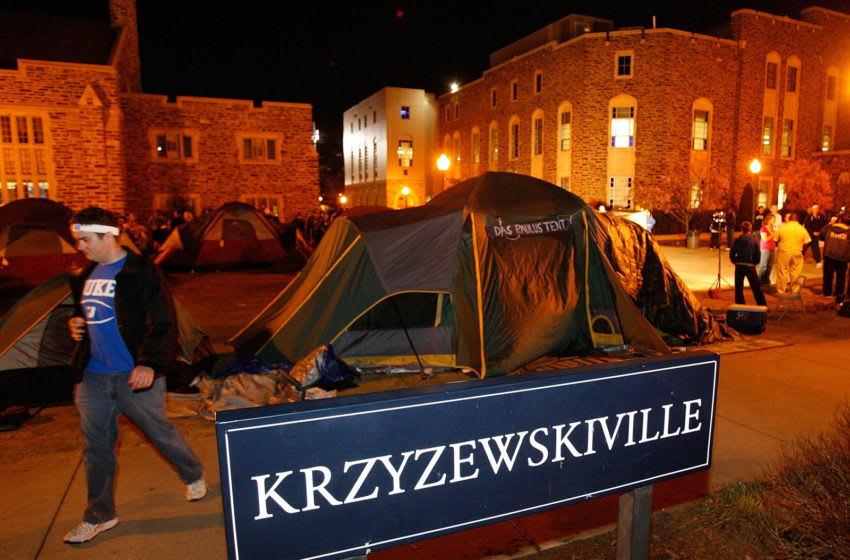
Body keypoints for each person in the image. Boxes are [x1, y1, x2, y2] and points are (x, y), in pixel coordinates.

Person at [63, 207, 206, 544]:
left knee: (159, 432)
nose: (80, 247)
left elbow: (163, 323)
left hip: (134, 375)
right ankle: (100, 515)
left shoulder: (142, 272)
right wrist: (76, 323)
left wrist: (151, 364)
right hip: (94, 377)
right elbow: (84, 313)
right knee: (96, 449)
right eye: (78, 240)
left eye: (85, 240)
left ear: (108, 235)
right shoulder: (84, 276)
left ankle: (193, 473)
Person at [730, 221, 767, 306]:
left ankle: (740, 304)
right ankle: (762, 304)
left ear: (742, 230)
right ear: (750, 230)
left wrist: (735, 261)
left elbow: (732, 252)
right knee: (756, 287)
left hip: (739, 265)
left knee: (739, 287)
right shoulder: (754, 240)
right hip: (750, 265)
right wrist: (755, 262)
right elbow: (758, 254)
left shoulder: (738, 240)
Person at [774, 211, 811, 293]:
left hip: (784, 251)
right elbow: (807, 241)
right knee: (796, 272)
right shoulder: (802, 229)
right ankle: (795, 290)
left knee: (782, 271)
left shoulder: (783, 228)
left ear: (789, 219)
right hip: (797, 251)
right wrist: (802, 250)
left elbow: (775, 239)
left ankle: (781, 290)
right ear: (797, 220)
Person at [820, 213, 850, 303]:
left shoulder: (830, 228)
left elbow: (821, 234)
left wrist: (830, 223)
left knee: (828, 275)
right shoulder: (848, 232)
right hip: (842, 257)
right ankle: (839, 293)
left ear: (839, 220)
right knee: (841, 276)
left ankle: (827, 293)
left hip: (829, 255)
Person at [759, 213, 776, 286]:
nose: (774, 220)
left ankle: (766, 279)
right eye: (773, 219)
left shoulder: (772, 227)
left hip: (772, 247)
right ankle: (760, 280)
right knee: (764, 265)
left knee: (770, 265)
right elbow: (765, 239)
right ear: (769, 219)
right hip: (765, 247)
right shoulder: (763, 228)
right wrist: (773, 234)